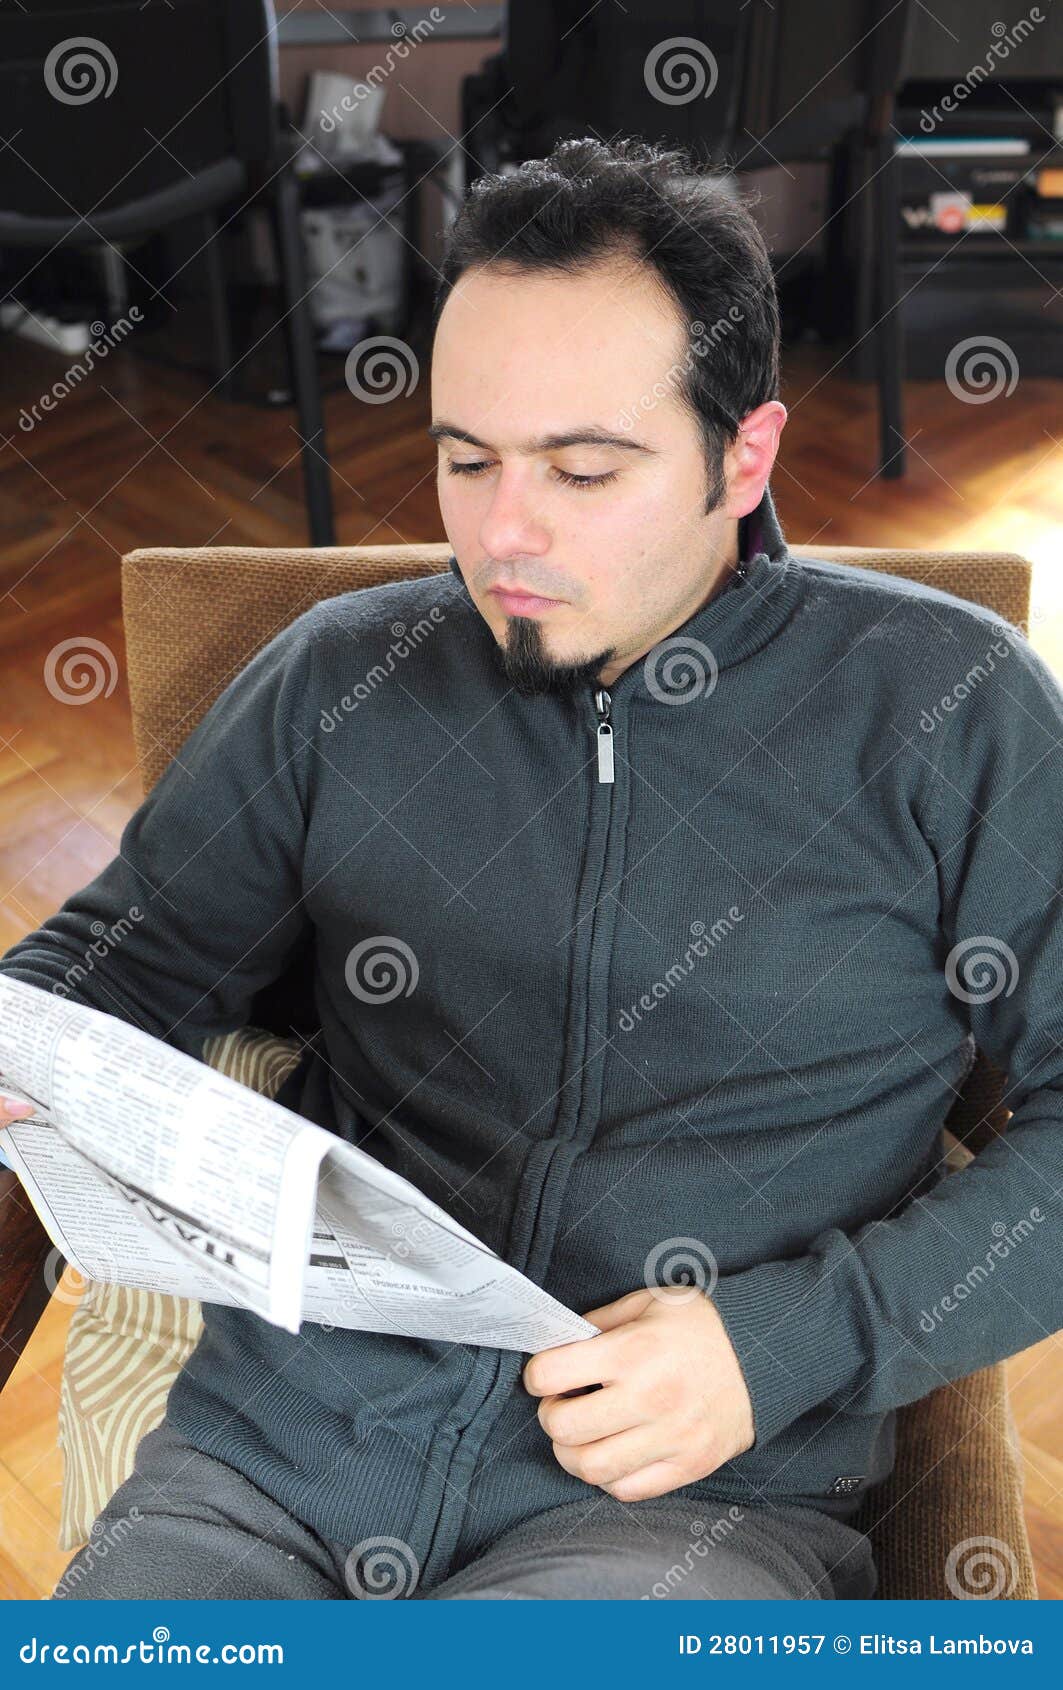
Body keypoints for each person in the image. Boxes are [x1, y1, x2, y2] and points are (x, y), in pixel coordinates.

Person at [2, 137, 1060, 1602]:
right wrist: (31, 1038)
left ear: (743, 455)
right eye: (463, 458)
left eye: (582, 468)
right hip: (267, 1466)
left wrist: (789, 1342)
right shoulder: (335, 682)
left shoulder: (951, 709)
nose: (503, 533)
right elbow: (112, 968)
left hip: (681, 1509)